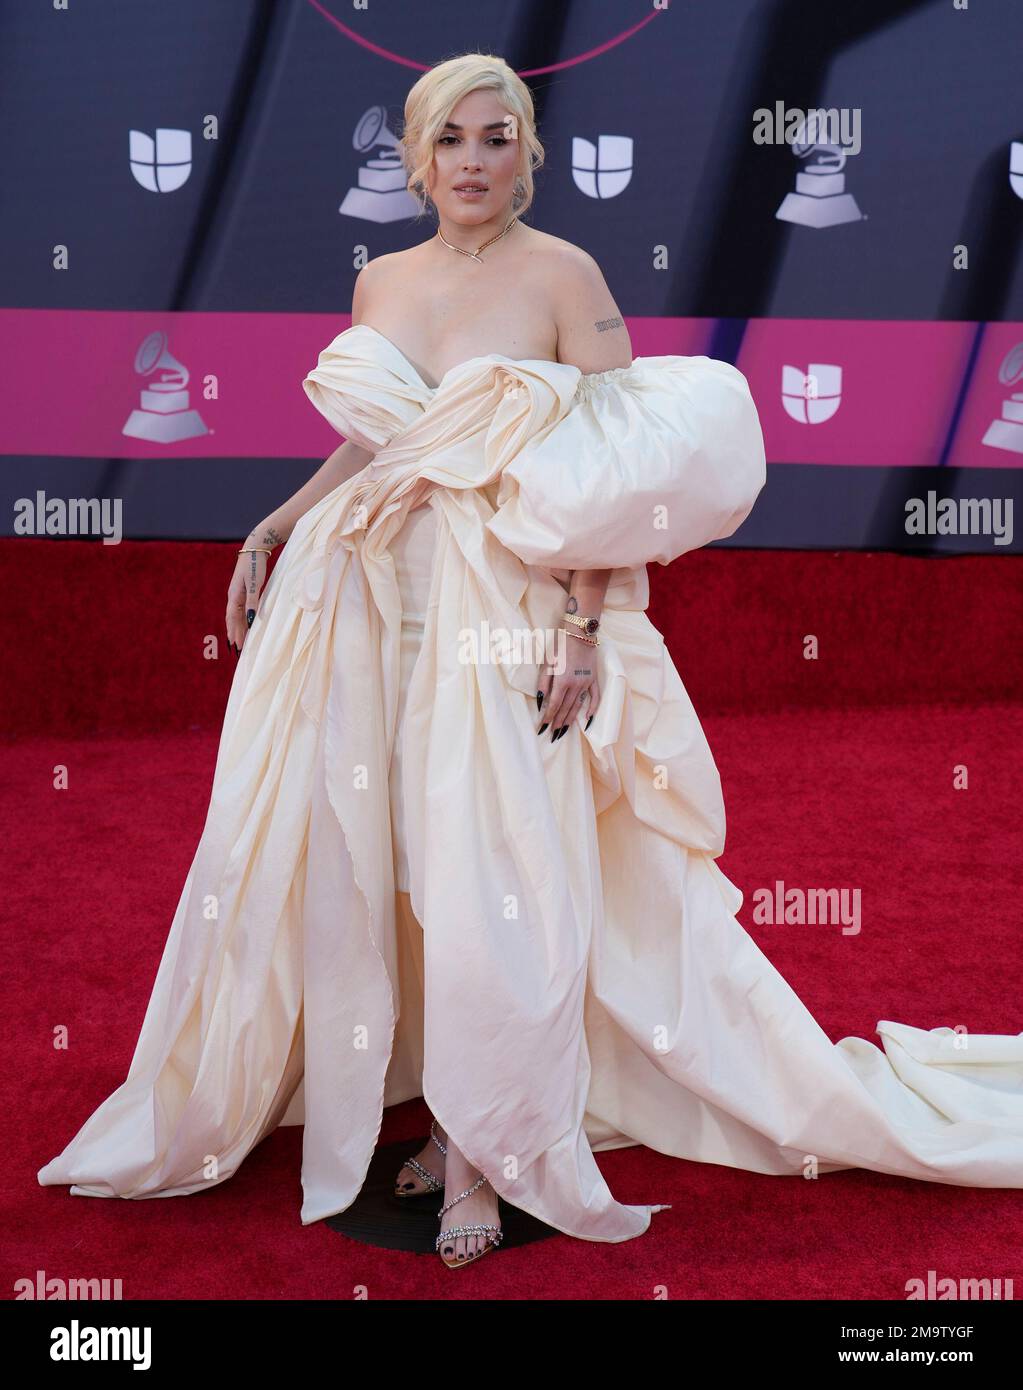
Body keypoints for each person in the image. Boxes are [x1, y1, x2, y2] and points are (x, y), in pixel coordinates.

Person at [38, 54, 1023, 1271]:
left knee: (489, 878)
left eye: (496, 138)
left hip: (504, 609)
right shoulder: (379, 277)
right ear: (413, 155)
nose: (471, 161)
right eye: (449, 138)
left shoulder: (567, 276)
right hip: (367, 599)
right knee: (393, 868)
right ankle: (453, 1105)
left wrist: (591, 628)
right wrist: (283, 519)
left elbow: (625, 477)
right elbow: (382, 445)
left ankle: (480, 1154)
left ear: (528, 153)